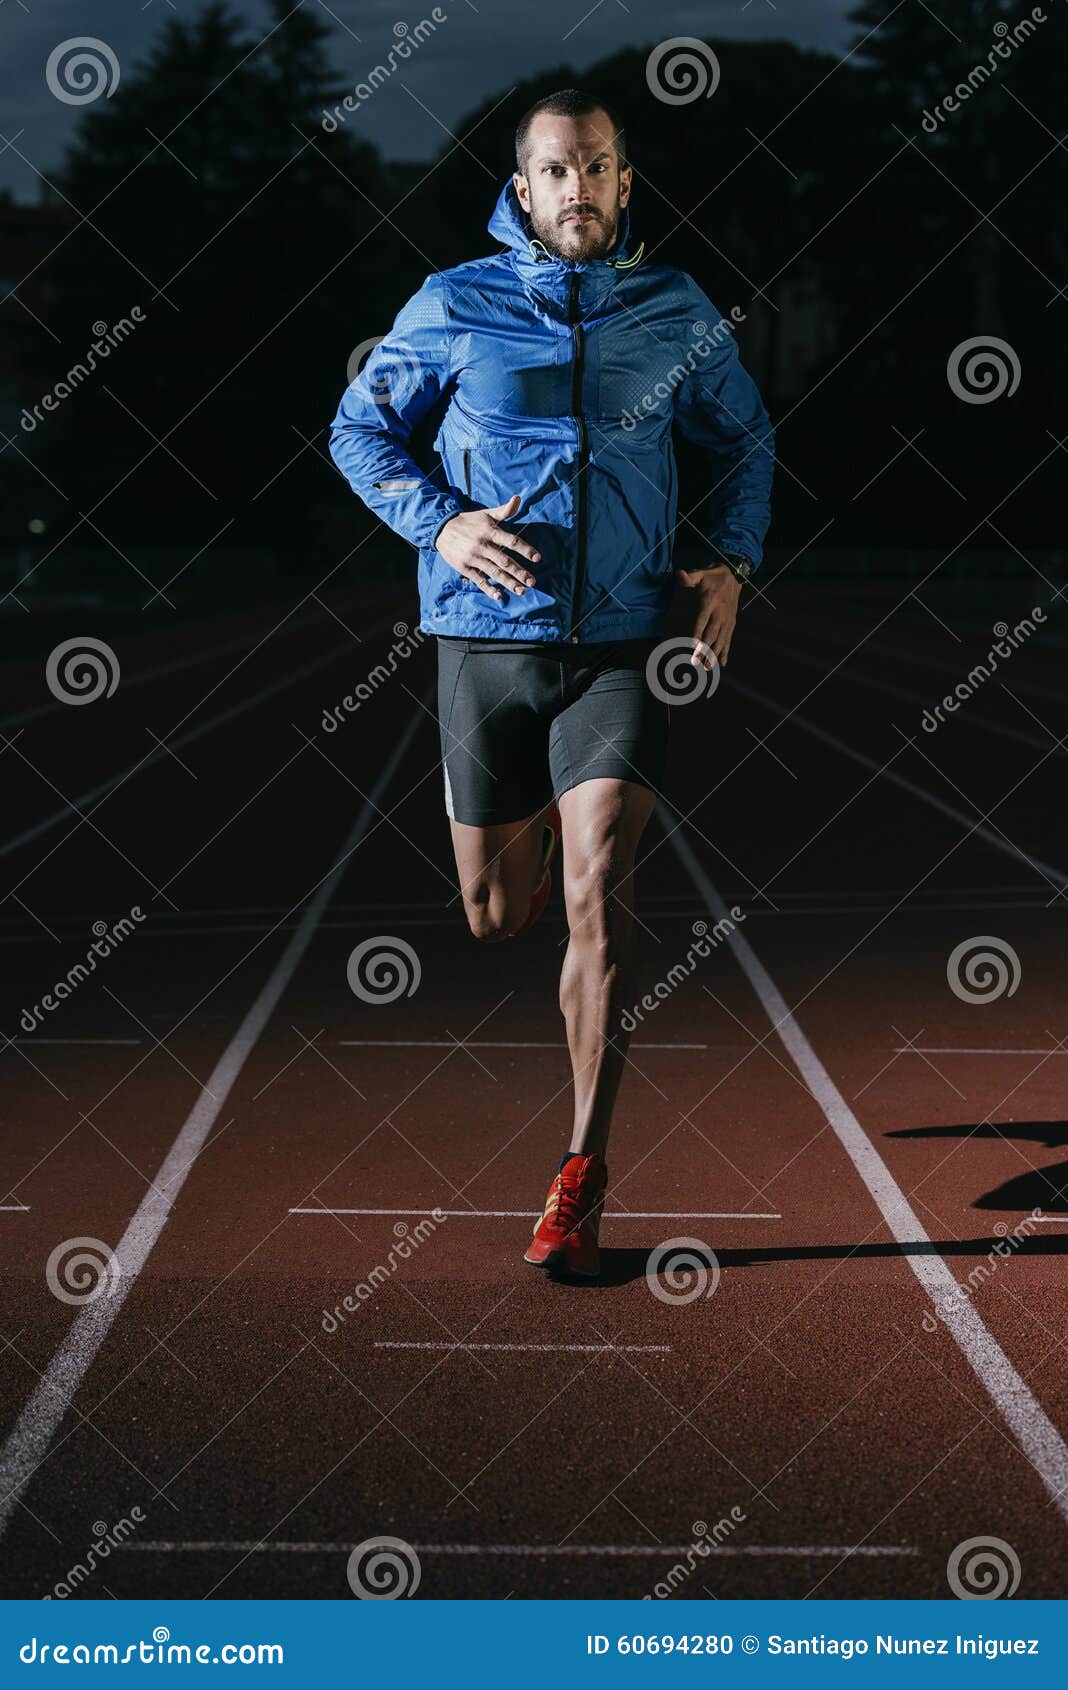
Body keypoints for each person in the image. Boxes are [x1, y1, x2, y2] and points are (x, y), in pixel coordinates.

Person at [328, 88, 774, 1278]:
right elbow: (358, 433)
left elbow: (746, 444)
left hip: (624, 647)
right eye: (557, 169)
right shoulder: (453, 304)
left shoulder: (675, 310)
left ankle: (581, 1173)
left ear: (628, 185)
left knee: (600, 888)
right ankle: (512, 886)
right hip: (487, 641)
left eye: (600, 166)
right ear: (522, 190)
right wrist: (445, 526)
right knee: (497, 913)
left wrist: (730, 564)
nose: (579, 186)